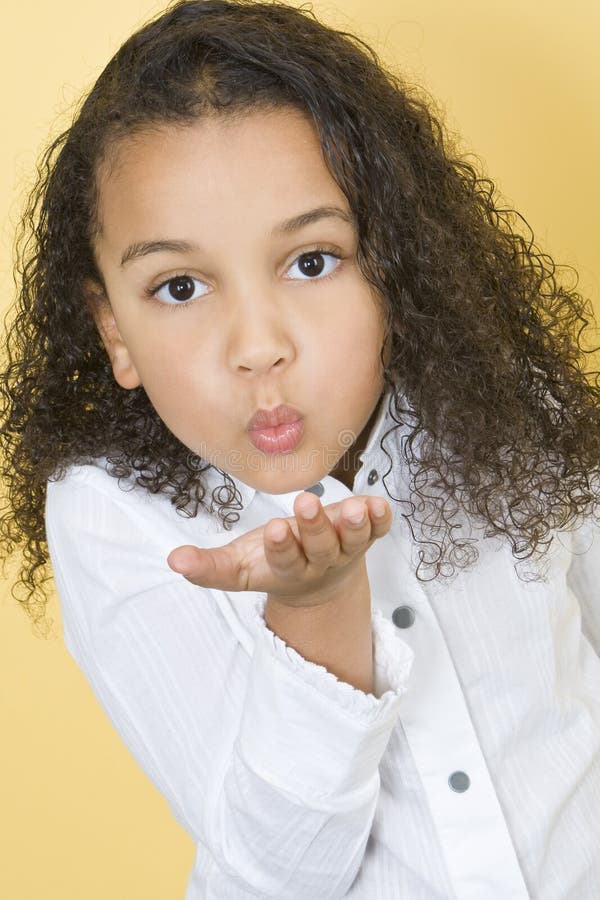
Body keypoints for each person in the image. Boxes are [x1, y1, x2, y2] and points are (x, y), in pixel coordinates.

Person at [1, 0, 599, 896]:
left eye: (311, 261)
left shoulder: (511, 405)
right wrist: (318, 609)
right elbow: (279, 869)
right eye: (179, 285)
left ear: (394, 261)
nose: (258, 345)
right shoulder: (114, 512)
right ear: (112, 332)